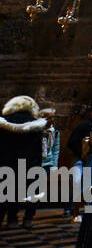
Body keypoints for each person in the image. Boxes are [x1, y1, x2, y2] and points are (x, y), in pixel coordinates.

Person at [1, 96, 53, 229]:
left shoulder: (3, 123)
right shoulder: (36, 125)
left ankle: (9, 219)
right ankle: (27, 219)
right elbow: (38, 149)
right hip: (29, 164)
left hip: (6, 163)